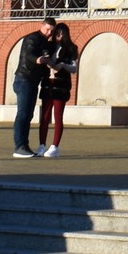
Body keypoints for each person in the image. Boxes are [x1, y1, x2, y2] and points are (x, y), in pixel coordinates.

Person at [35, 20, 78, 159]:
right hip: (48, 84)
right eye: (56, 33)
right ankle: (42, 145)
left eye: (60, 34)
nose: (58, 36)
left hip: (61, 85)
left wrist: (63, 65)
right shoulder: (49, 46)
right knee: (45, 116)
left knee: (58, 116)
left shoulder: (71, 48)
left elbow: (74, 68)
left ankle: (55, 146)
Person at [9, 25, 49, 158]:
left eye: (52, 31)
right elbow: (28, 54)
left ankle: (24, 146)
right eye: (47, 29)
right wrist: (37, 60)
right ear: (42, 26)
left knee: (28, 115)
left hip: (32, 82)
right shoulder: (32, 38)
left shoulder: (45, 42)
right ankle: (19, 146)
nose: (49, 32)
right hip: (24, 80)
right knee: (23, 114)